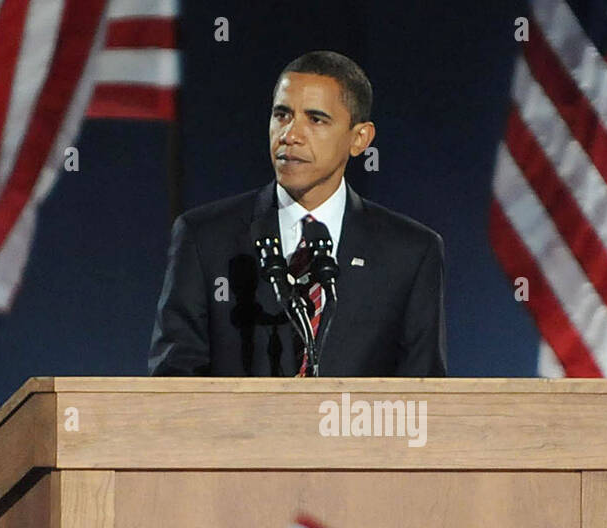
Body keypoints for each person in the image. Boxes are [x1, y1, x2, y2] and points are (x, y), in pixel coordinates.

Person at [148, 50, 446, 377]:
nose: (290, 135)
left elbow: (423, 393)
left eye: (316, 119)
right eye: (282, 115)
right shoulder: (204, 237)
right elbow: (173, 383)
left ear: (360, 139)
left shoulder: (410, 252)